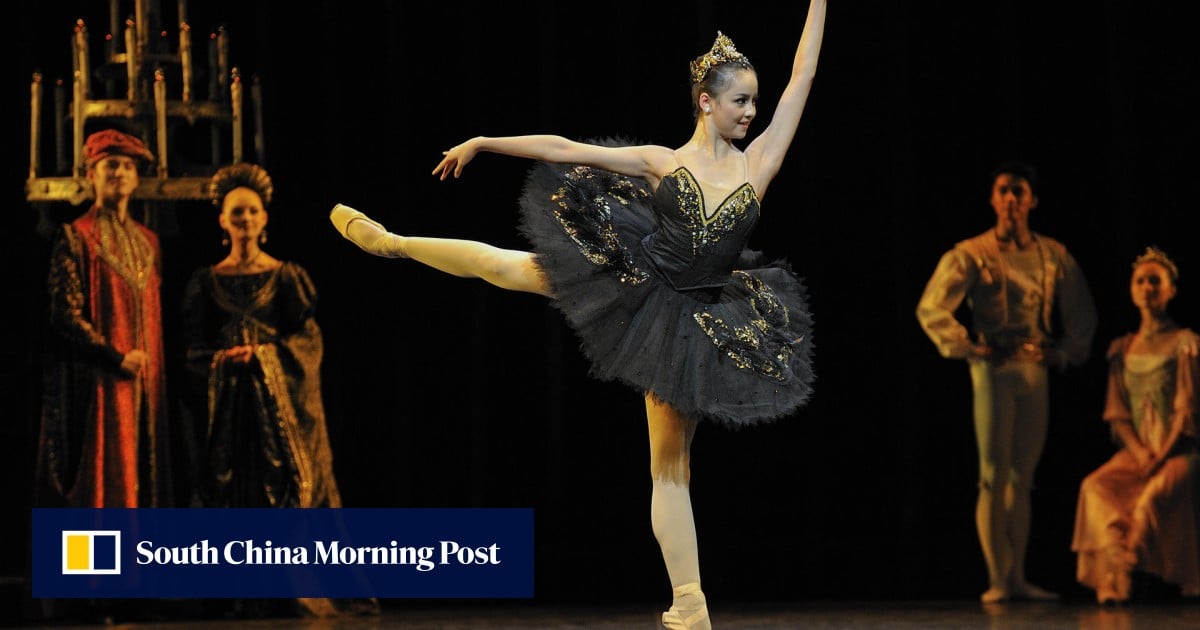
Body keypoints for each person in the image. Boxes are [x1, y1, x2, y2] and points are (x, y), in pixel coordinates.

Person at [330, 4, 824, 627]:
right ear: (706, 102)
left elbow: (804, 72)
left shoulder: (761, 164)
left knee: (671, 466)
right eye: (741, 102)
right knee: (509, 266)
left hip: (699, 320)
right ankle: (393, 242)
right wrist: (483, 142)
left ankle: (690, 604)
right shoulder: (662, 161)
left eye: (756, 101)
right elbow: (566, 148)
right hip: (633, 285)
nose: (753, 112)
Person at [181, 163, 377, 618]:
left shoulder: (287, 276)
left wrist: (265, 358)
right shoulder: (206, 281)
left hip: (283, 410)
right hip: (231, 408)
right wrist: (220, 361)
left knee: (297, 486)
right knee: (235, 489)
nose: (244, 220)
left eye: (251, 211)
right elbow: (192, 347)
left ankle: (299, 587)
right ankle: (240, 592)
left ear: (264, 218)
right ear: (222, 221)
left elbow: (307, 341)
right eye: (236, 213)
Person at [915, 160, 1098, 603]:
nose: (1012, 199)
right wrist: (967, 346)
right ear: (994, 199)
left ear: (1032, 200)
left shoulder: (1052, 254)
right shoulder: (974, 252)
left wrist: (1064, 352)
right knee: (993, 475)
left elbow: (1081, 313)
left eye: (1019, 191)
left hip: (1033, 368)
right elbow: (932, 307)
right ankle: (998, 578)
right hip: (993, 371)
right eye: (1004, 191)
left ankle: (1017, 576)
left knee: (1023, 476)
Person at [36, 128, 173, 509]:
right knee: (99, 480)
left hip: (146, 387)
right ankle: (96, 568)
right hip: (98, 383)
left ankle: (141, 562)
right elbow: (65, 314)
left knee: (144, 475)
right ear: (91, 173)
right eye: (111, 164)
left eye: (128, 165)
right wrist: (115, 357)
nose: (120, 172)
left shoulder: (148, 241)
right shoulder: (76, 236)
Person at [1071, 246, 1200, 605]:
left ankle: (1129, 568)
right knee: (1095, 488)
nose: (1147, 288)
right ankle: (1113, 577)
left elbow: (1185, 410)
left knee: (1151, 498)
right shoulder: (1122, 349)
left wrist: (1160, 454)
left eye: (1155, 281)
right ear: (1131, 289)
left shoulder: (1185, 344)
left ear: (1171, 290)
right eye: (1141, 281)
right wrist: (1141, 452)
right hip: (1139, 452)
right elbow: (1118, 414)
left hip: (1178, 450)